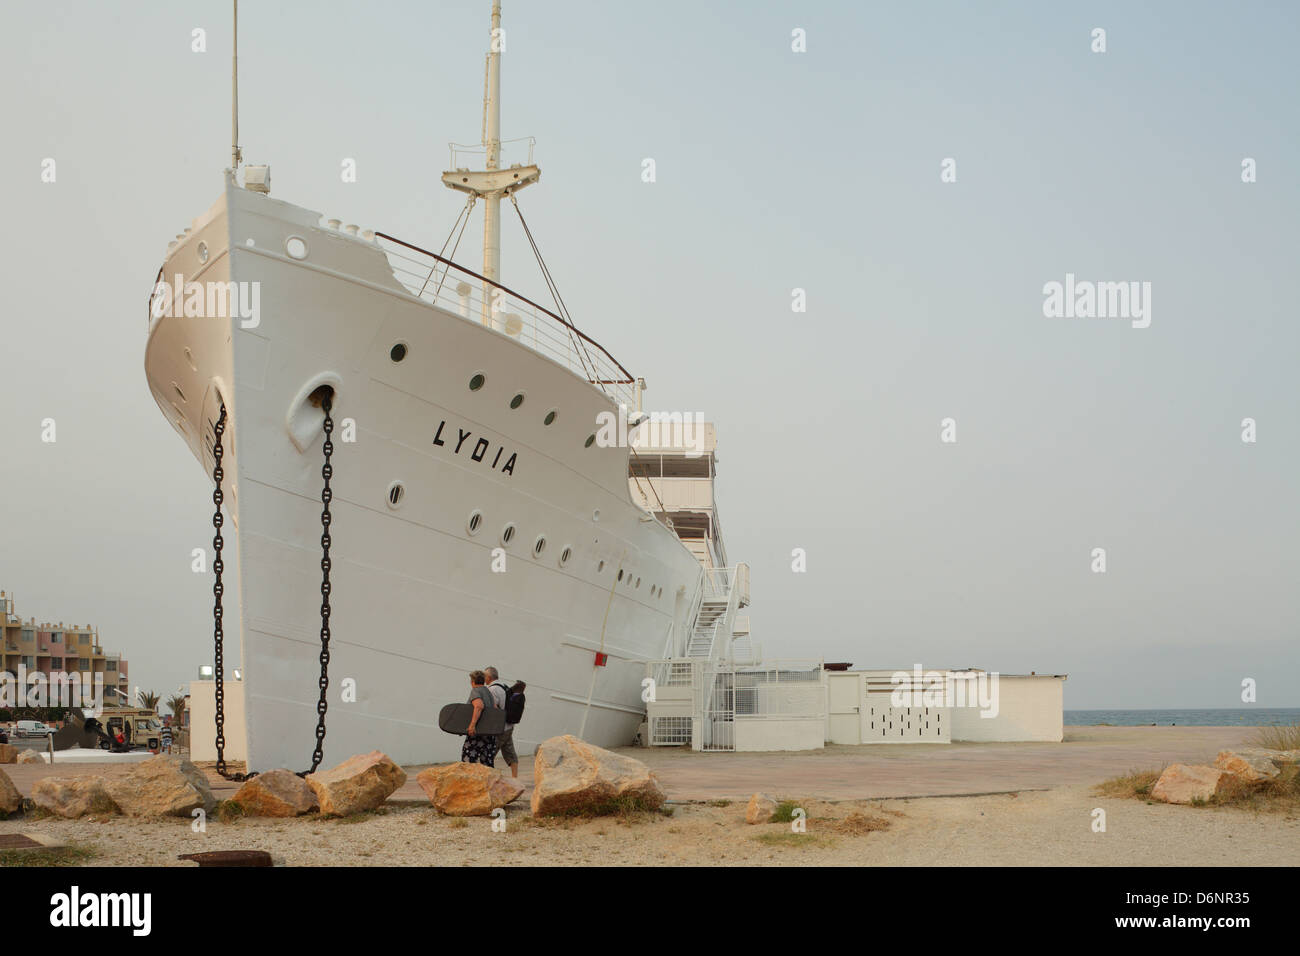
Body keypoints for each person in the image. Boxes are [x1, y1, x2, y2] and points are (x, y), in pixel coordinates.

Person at [461, 670, 498, 766]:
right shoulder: (488, 692)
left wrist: (472, 725)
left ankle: (470, 781)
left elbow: (479, 706)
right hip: (489, 733)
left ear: (472, 681)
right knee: (487, 763)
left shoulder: (475, 691)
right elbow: (495, 708)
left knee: (468, 761)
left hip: (477, 733)